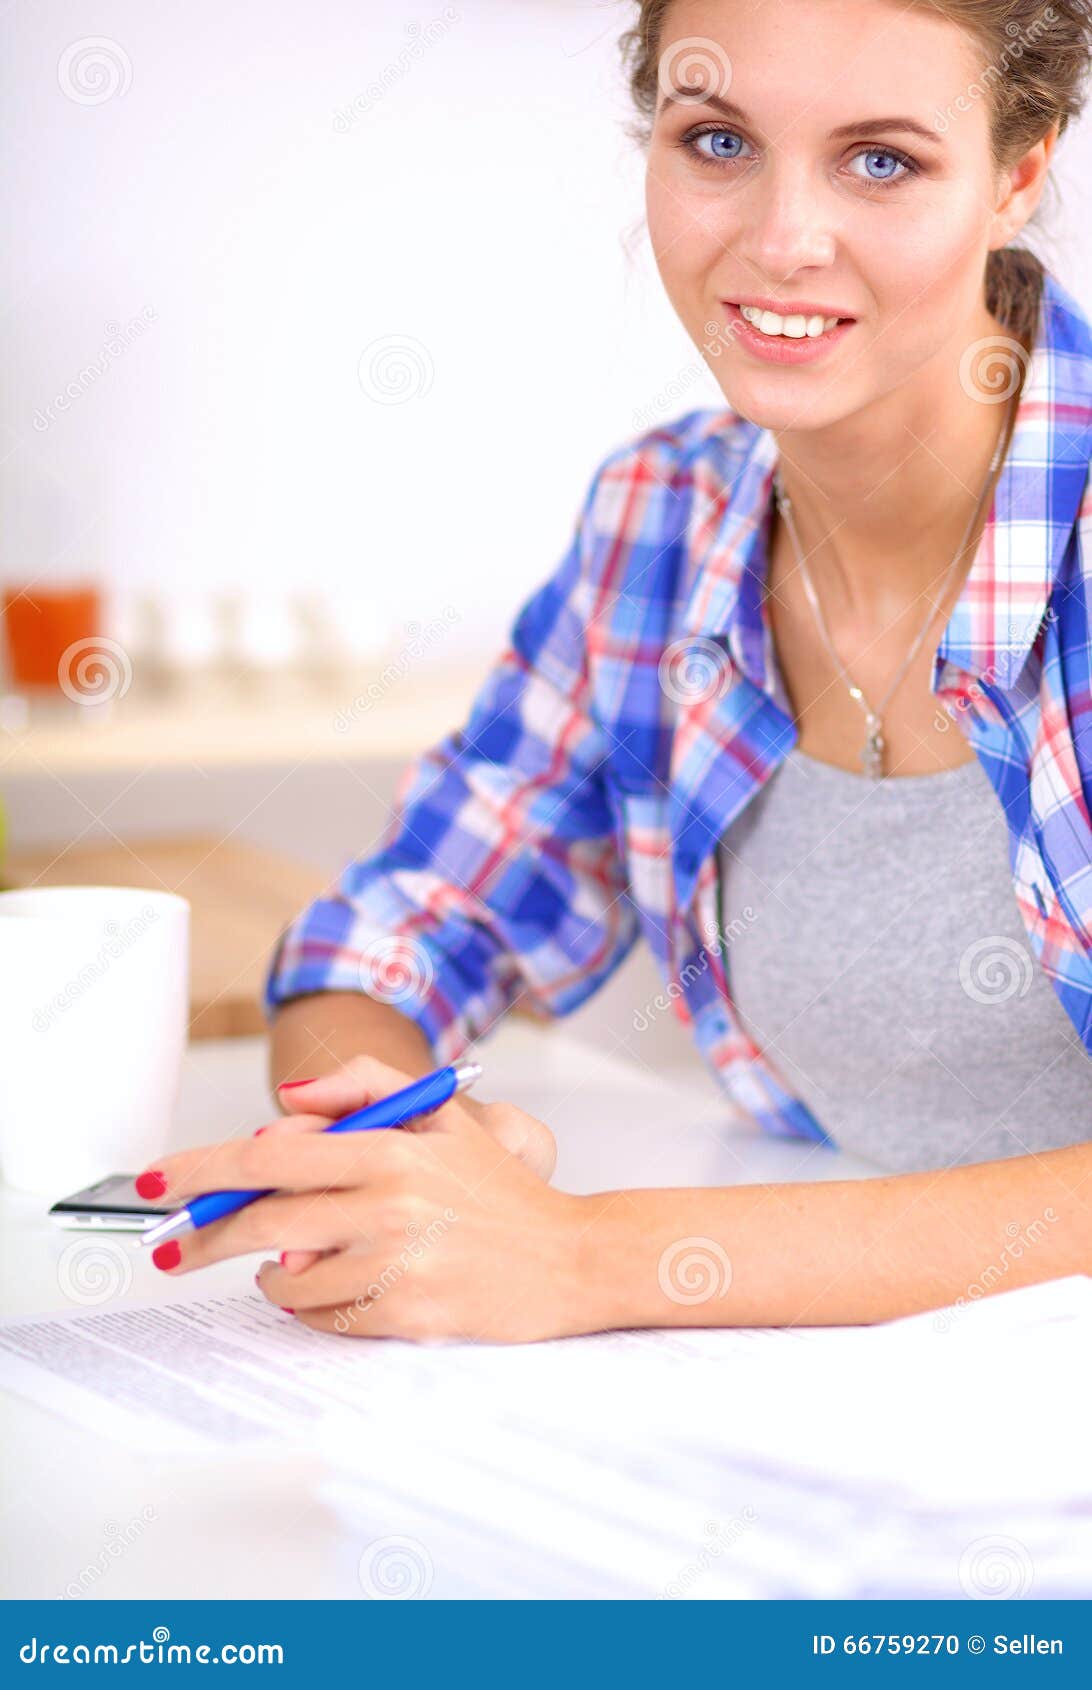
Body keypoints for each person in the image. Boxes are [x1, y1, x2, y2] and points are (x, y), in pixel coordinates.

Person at [141, 0, 1092, 1340]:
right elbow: (408, 919)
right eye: (719, 141)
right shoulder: (663, 520)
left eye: (881, 159)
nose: (780, 240)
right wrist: (392, 1146)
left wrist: (588, 1254)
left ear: (1021, 164)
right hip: (844, 1422)